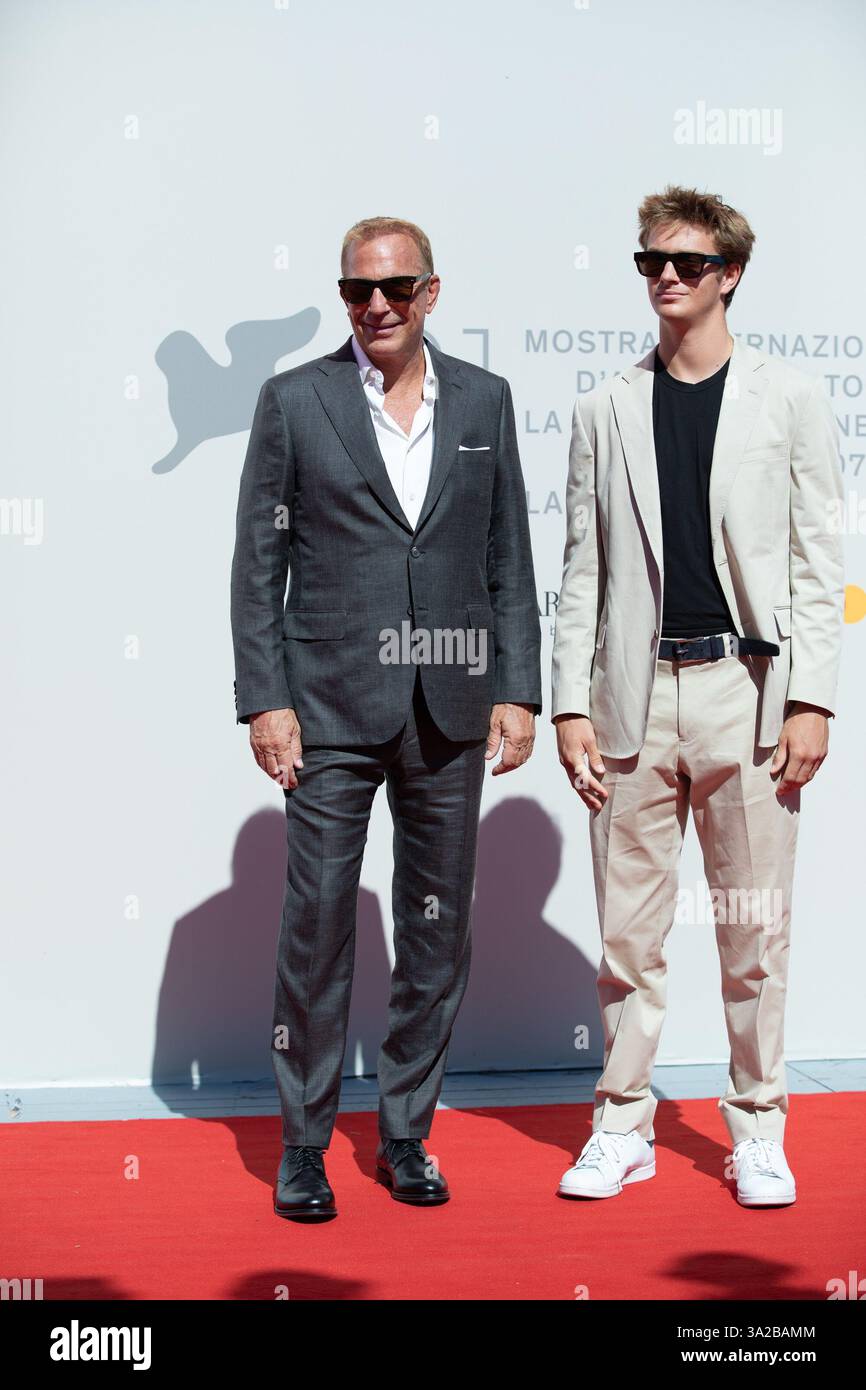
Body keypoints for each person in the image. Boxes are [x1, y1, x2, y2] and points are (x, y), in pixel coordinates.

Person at [231, 216, 541, 1219]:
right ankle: (304, 1144)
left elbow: (507, 557)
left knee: (435, 933)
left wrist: (518, 687)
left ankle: (406, 1133)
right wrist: (264, 698)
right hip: (325, 706)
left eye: (395, 289)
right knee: (316, 928)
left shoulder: (484, 400)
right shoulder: (292, 400)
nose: (375, 307)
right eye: (357, 290)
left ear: (429, 293)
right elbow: (256, 567)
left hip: (448, 703)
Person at [551, 185, 844, 1207]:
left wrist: (812, 697)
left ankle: (755, 1125)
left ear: (727, 274)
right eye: (647, 262)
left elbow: (819, 560)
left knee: (750, 926)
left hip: (748, 692)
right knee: (627, 935)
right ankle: (620, 1123)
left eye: (681, 261)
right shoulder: (601, 408)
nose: (662, 277)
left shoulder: (790, 397)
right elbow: (579, 569)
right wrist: (568, 704)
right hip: (631, 696)